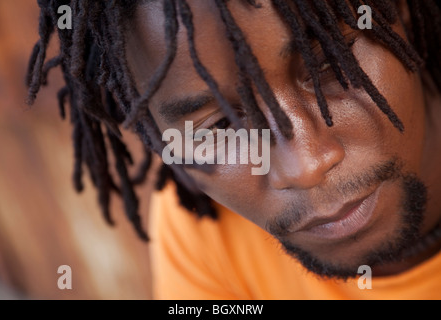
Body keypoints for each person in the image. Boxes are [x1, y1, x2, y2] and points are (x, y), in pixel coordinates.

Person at [27, 0, 441, 299]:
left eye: (329, 68)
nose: (305, 165)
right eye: (221, 125)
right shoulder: (207, 236)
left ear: (400, 11)